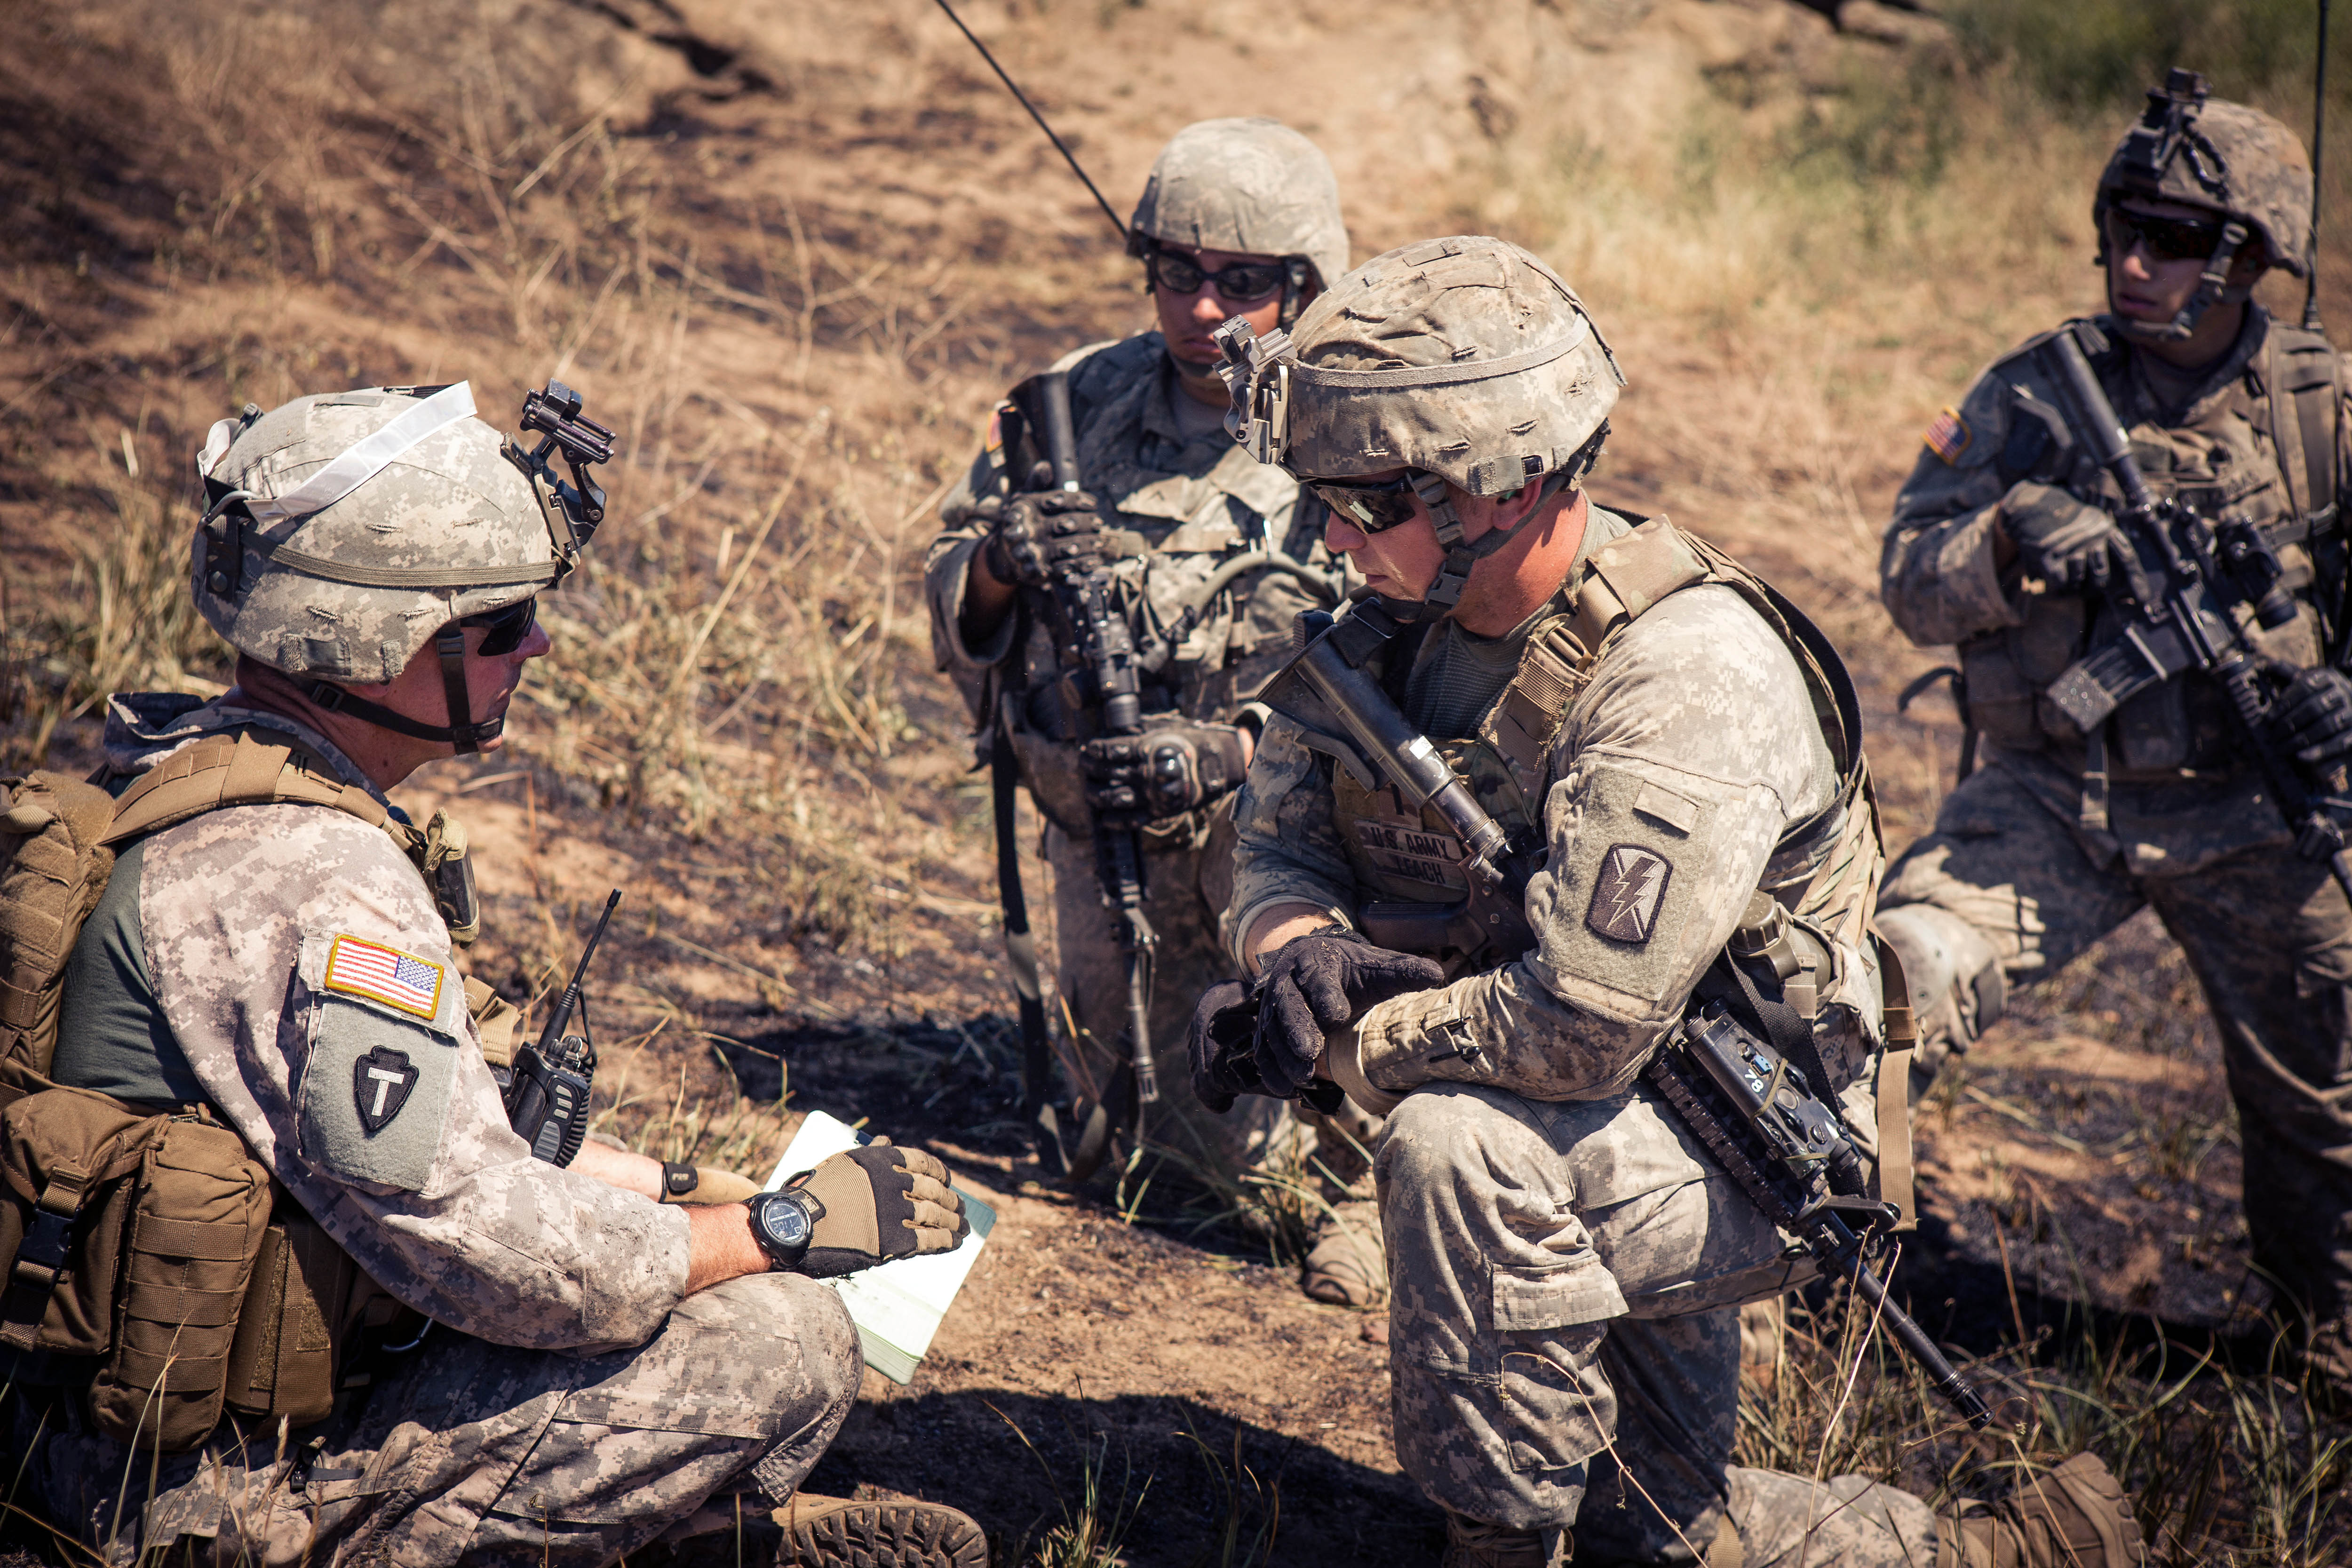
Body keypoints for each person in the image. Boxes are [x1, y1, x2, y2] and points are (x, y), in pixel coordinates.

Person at [1208, 234, 2147, 1566]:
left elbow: (1575, 1028)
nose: (1332, 532)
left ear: (1499, 484)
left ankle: (1496, 1544)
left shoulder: (1685, 679)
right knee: (1658, 1531)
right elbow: (1281, 832)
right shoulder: (1401, 610)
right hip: (1585, 1090)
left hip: (1737, 1136)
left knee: (1449, 1148)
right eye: (1324, 496)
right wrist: (1296, 945)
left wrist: (1347, 1042)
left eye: (1364, 500)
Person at [0, 383, 985, 1567]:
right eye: (504, 621)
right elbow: (483, 1243)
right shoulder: (317, 877)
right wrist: (768, 1229)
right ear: (376, 642)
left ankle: (674, 1528)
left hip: (80, 1420)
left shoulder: (174, 767)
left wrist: (666, 1180)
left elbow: (368, 1135)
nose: (538, 644)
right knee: (780, 1337)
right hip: (182, 1491)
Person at [1874, 69, 2352, 1397]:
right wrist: (2012, 540)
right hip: (2054, 798)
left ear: (2253, 256)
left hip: (2263, 815)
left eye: (2179, 239)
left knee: (2326, 1112)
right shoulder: (2034, 395)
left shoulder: (2325, 415)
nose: (2134, 262)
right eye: (2121, 227)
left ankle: (2321, 1343)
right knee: (1884, 987)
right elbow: (1909, 578)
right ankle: (1846, 1248)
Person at [923, 117, 1383, 1304]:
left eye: (1240, 281)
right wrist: (1001, 563)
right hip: (1107, 835)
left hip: (1297, 837)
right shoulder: (1074, 404)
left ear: (1303, 283)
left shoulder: (1358, 424)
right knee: (1164, 1166)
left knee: (1347, 1032)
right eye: (1176, 272)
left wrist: (1229, 752)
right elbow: (950, 605)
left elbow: (1416, 670)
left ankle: (1369, 1194)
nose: (1200, 305)